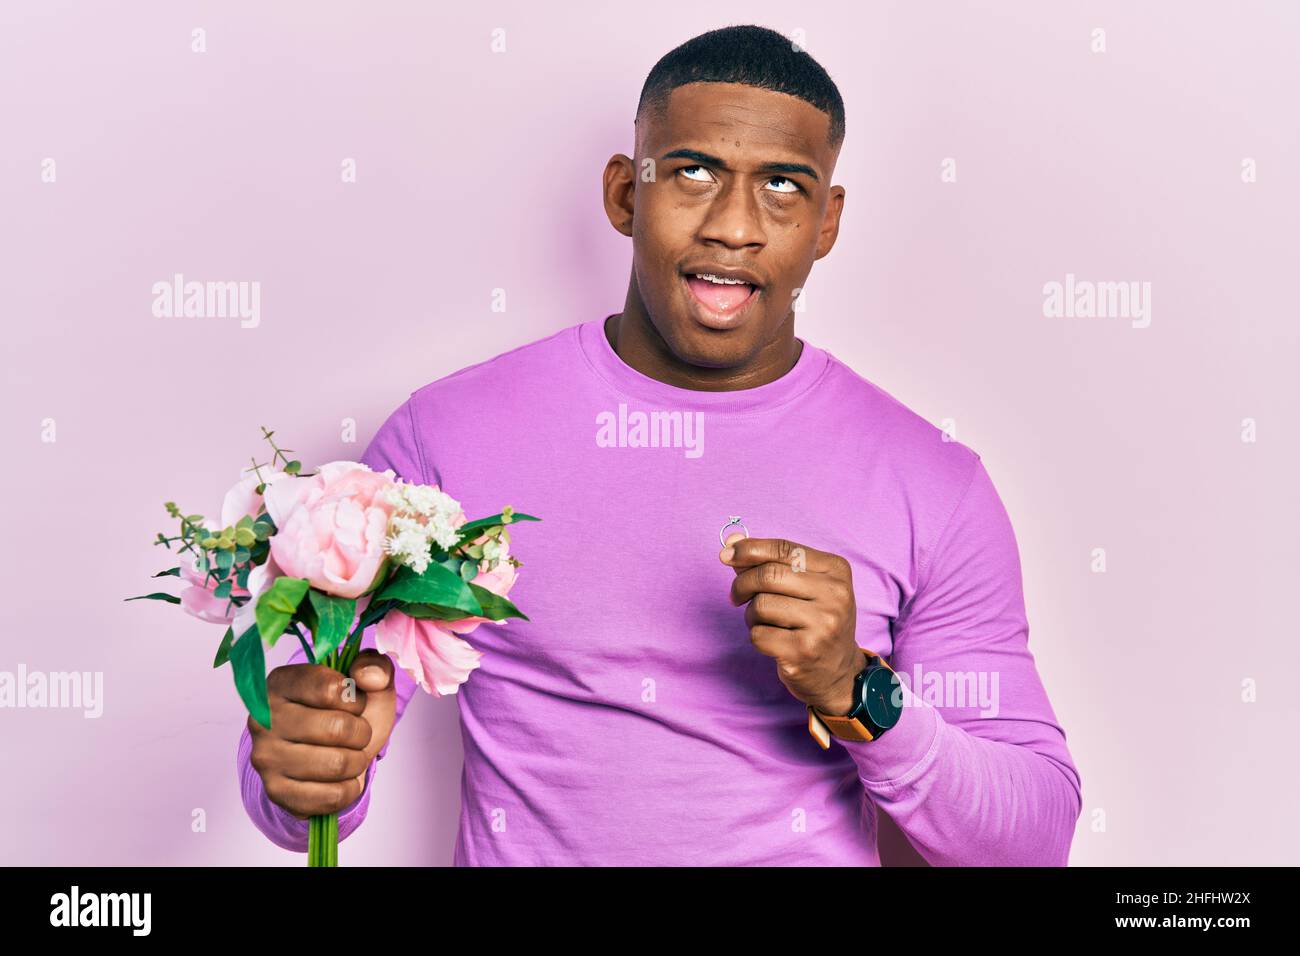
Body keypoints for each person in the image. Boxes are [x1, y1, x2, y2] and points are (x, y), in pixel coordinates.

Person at [239, 24, 1082, 866]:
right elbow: (300, 766)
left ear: (826, 223)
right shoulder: (448, 433)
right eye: (694, 172)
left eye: (783, 186)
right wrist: (302, 771)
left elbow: (1032, 842)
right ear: (623, 194)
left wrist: (855, 690)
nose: (734, 227)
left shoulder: (933, 481)